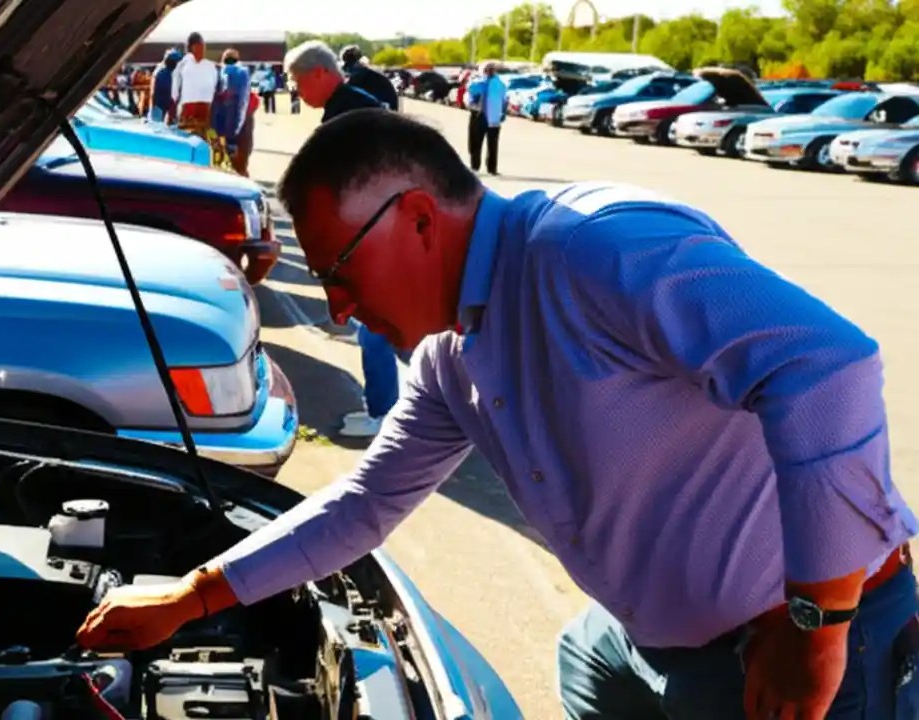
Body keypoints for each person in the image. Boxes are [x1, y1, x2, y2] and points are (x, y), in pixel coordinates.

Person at [76, 109, 919, 719]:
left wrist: (815, 625)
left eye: (337, 271)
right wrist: (192, 598)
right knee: (583, 660)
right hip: (642, 644)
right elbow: (364, 504)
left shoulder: (593, 248)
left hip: (800, 643)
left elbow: (826, 367)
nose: (335, 309)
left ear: (414, 218)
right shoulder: (451, 356)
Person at [284, 39, 400, 437]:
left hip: (379, 235)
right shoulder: (354, 104)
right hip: (379, 231)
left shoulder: (351, 113)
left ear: (320, 73)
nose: (297, 92)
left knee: (376, 328)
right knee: (380, 328)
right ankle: (387, 409)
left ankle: (386, 414)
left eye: (299, 83)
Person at [171, 32, 220, 141]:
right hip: (197, 106)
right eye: (200, 46)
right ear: (193, 47)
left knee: (192, 136)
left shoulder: (183, 65)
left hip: (197, 106)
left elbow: (174, 92)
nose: (202, 50)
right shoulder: (185, 65)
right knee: (197, 136)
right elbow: (214, 86)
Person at [465, 61, 507, 174]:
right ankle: (474, 166)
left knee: (492, 145)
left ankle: (492, 168)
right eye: (487, 69)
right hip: (478, 115)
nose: (490, 71)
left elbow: (504, 100)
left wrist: (503, 113)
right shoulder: (477, 82)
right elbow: (469, 94)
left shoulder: (500, 84)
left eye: (492, 69)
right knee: (475, 143)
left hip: (493, 118)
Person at [214, 48, 251, 165]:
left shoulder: (218, 71)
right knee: (234, 145)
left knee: (219, 143)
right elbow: (244, 98)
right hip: (234, 113)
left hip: (218, 115)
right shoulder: (242, 72)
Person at [339, 44, 399, 111]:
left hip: (381, 114)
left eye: (348, 64)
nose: (345, 69)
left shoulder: (360, 77)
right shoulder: (373, 76)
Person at [148, 49, 180, 124]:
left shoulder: (167, 73)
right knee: (157, 127)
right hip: (159, 107)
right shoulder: (164, 73)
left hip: (163, 107)